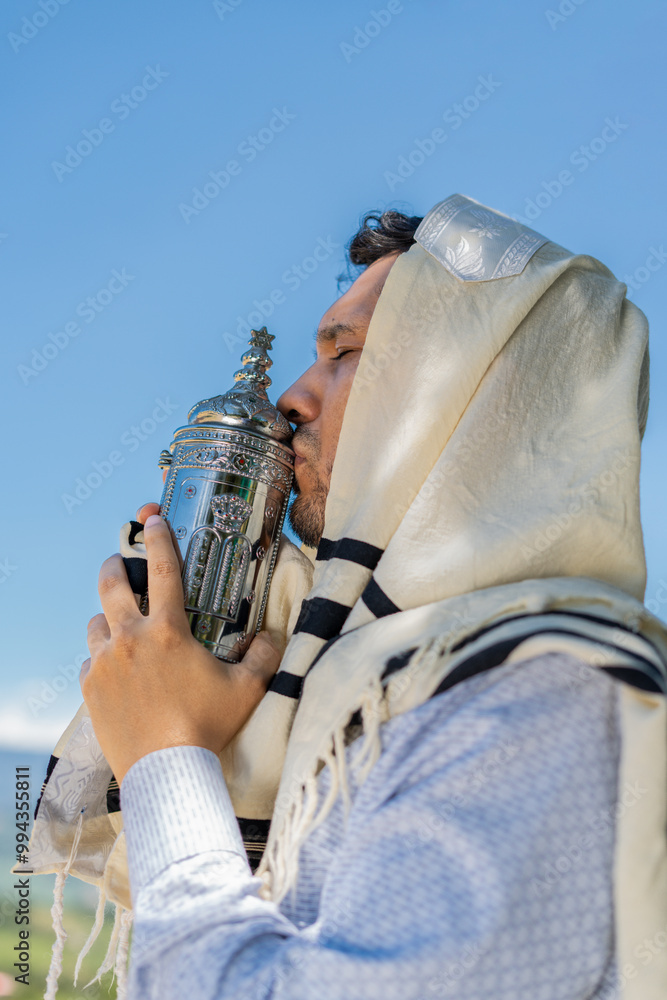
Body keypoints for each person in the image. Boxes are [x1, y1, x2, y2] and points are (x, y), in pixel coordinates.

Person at [72, 196, 667, 997]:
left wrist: (163, 759)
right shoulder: (372, 680)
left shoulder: (540, 689)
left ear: (470, 393)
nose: (290, 397)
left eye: (344, 353)